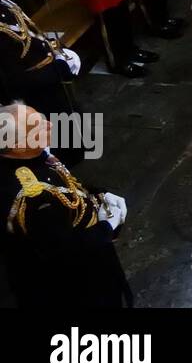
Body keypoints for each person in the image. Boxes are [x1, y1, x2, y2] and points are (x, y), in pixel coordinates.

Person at [0, 104, 132, 307]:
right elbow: (66, 252)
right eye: (38, 126)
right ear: (16, 145)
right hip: (77, 285)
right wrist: (106, 227)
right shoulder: (33, 198)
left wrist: (98, 193)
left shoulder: (33, 156)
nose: (50, 125)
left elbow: (62, 180)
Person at [0, 0, 82, 155]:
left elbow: (32, 36)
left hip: (50, 81)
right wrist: (55, 70)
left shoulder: (5, 3)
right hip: (34, 94)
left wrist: (59, 53)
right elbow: (7, 77)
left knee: (72, 131)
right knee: (51, 145)